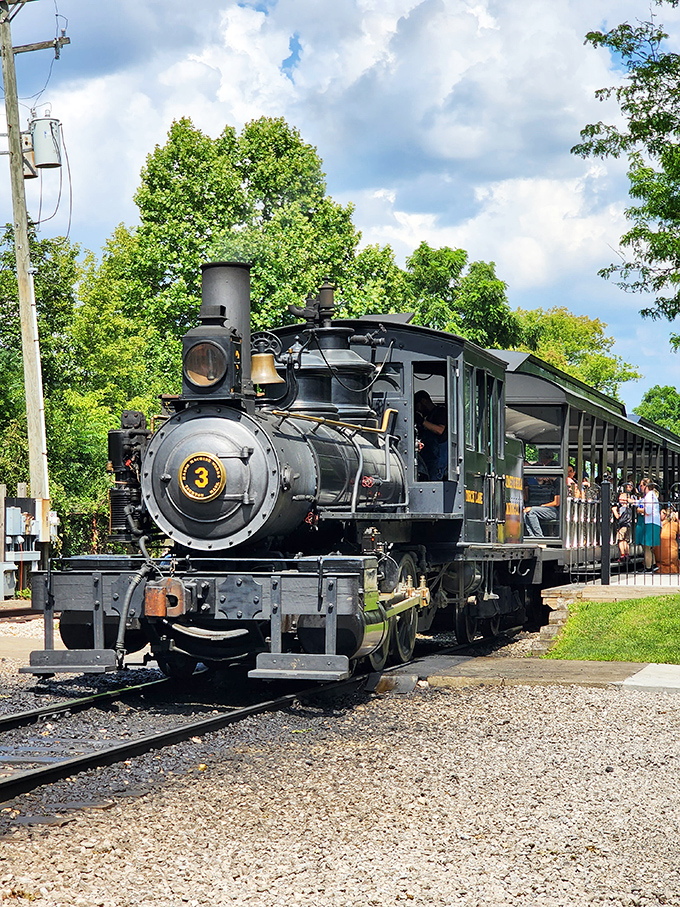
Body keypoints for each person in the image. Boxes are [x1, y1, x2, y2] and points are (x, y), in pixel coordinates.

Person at [414, 390, 447, 480]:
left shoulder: (440, 412)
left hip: (439, 458)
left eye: (418, 406)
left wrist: (422, 421)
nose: (418, 410)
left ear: (424, 401)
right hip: (429, 458)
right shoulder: (428, 416)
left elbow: (440, 430)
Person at [635, 478, 661, 570]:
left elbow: (648, 510)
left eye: (641, 485)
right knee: (649, 547)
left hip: (650, 522)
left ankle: (648, 567)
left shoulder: (649, 496)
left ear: (646, 486)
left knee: (646, 547)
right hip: (654, 522)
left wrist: (639, 510)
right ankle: (653, 565)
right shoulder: (652, 495)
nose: (640, 487)